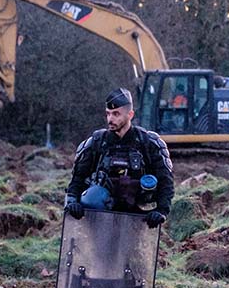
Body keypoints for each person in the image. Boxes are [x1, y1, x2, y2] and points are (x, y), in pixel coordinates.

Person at [64, 88, 175, 229]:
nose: (110, 119)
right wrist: (73, 202)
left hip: (138, 215)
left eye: (116, 114)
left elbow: (166, 181)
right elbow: (77, 179)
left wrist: (161, 211)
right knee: (92, 196)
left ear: (130, 114)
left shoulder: (149, 143)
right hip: (100, 217)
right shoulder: (96, 143)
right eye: (108, 114)